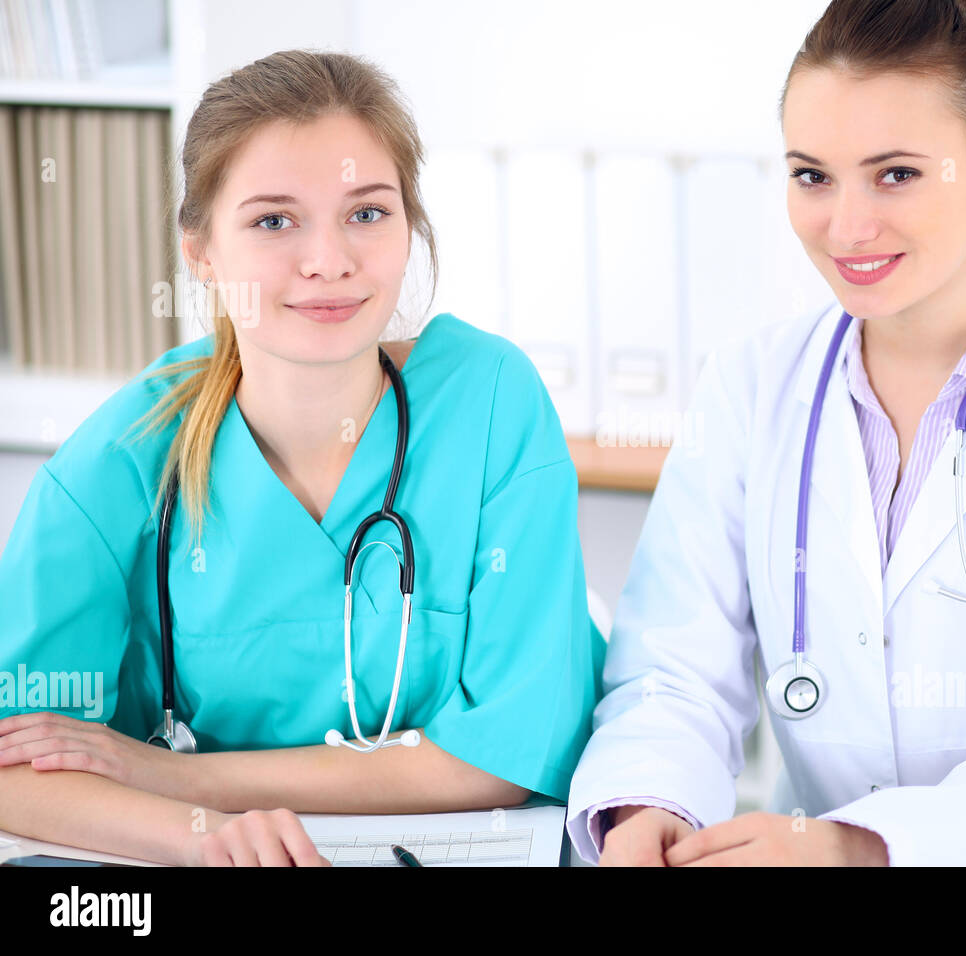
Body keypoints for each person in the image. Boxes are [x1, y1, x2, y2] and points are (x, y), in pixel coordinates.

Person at [566, 0, 966, 866]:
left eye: (897, 174)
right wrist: (647, 801)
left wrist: (859, 848)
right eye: (812, 175)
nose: (846, 224)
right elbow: (674, 672)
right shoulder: (749, 389)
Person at [0, 49, 604, 867]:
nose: (330, 261)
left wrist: (176, 779)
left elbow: (505, 752)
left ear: (410, 226)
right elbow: (17, 764)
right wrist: (203, 839)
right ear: (201, 253)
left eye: (366, 213)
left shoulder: (492, 402)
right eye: (273, 221)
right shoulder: (121, 461)